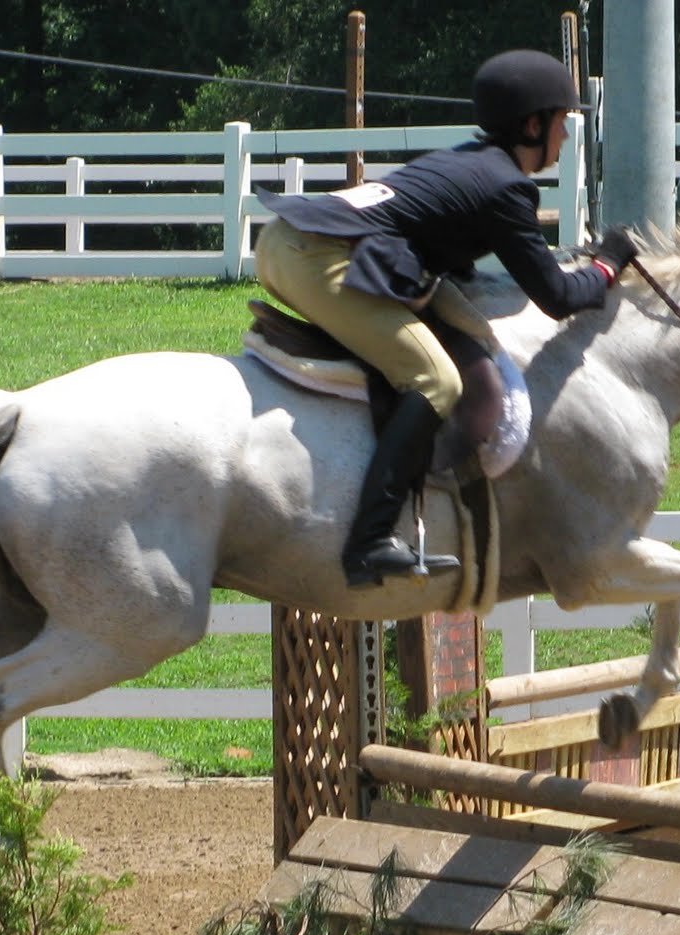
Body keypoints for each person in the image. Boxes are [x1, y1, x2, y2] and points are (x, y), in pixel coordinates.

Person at [254, 49, 637, 588]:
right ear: (532, 125)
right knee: (434, 379)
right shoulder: (507, 187)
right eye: (561, 122)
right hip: (316, 257)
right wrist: (608, 264)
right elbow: (557, 297)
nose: (566, 137)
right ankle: (368, 542)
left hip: (289, 241)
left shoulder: (472, 162)